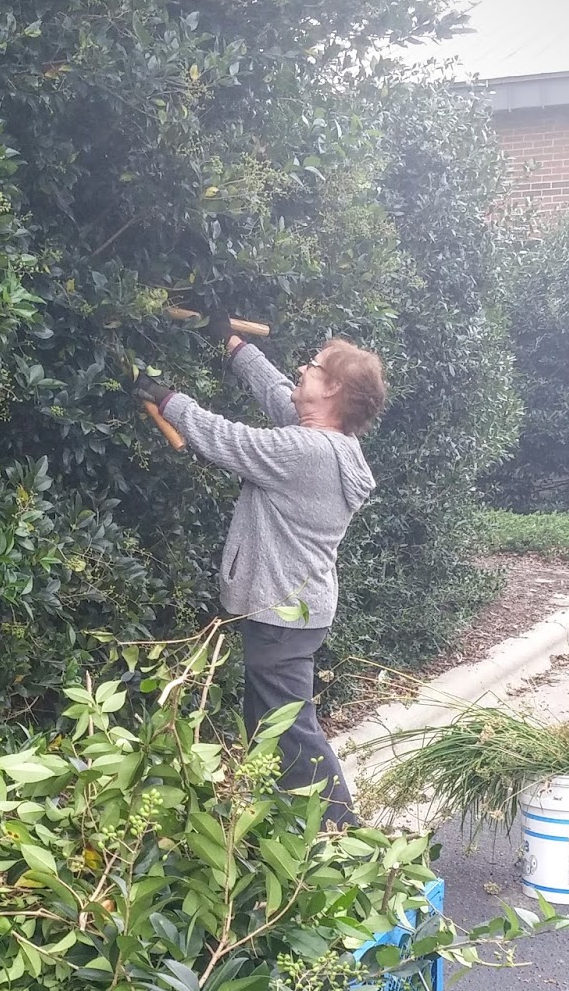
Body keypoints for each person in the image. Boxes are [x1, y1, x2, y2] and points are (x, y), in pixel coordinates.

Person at [134, 316, 387, 828]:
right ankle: (297, 830)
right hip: (292, 607)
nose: (301, 368)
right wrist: (232, 343)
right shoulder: (328, 443)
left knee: (286, 728)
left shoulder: (307, 452)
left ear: (332, 389)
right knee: (271, 725)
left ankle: (344, 836)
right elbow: (280, 394)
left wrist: (166, 399)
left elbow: (230, 441)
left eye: (313, 367)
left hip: (281, 609)